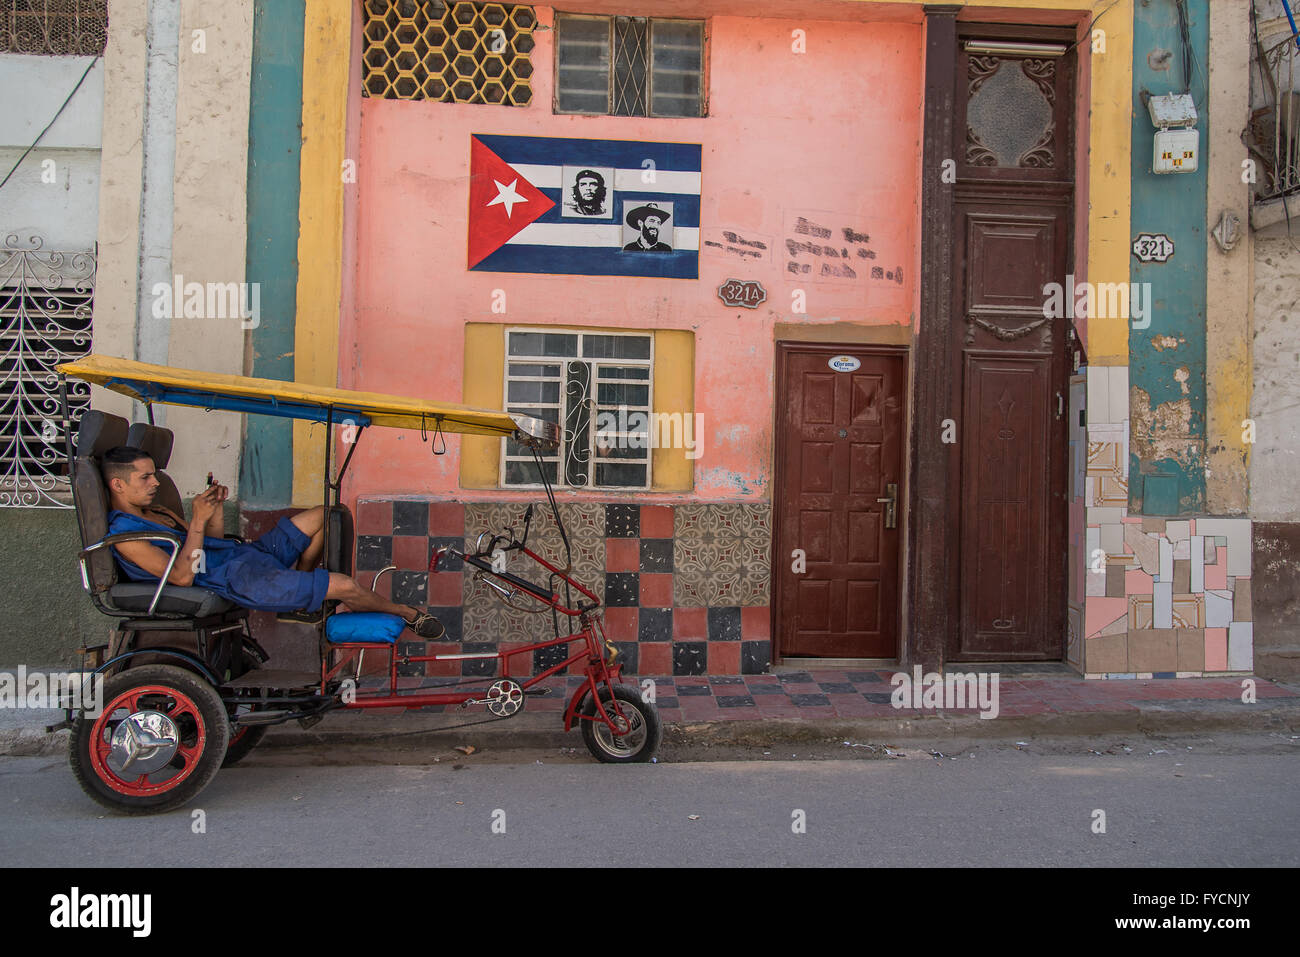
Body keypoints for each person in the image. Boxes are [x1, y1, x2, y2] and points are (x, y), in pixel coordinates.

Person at [99, 446, 443, 637]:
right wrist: (198, 520)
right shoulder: (126, 535)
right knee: (345, 585)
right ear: (117, 485)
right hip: (239, 578)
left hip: (246, 556)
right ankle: (406, 613)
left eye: (154, 475)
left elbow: (210, 545)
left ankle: (301, 596)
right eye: (144, 477)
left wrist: (214, 511)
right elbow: (182, 577)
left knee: (325, 514)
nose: (154, 483)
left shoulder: (156, 512)